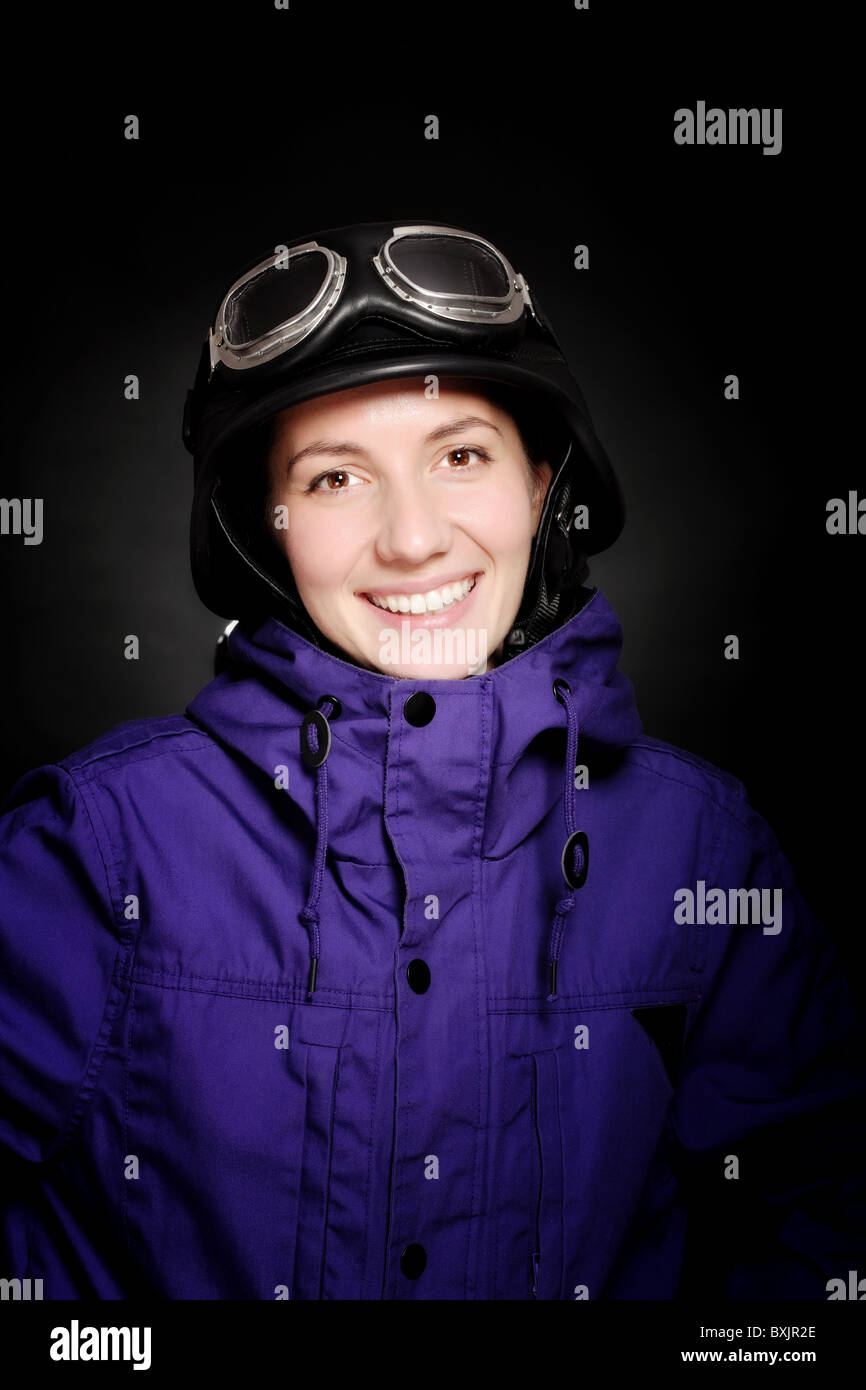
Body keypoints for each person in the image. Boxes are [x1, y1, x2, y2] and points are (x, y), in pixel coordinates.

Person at [0, 219, 863, 1301]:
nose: (410, 539)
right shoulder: (95, 846)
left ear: (542, 482)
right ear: (262, 533)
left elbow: (822, 1218)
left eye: (459, 454)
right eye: (331, 479)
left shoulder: (704, 849)